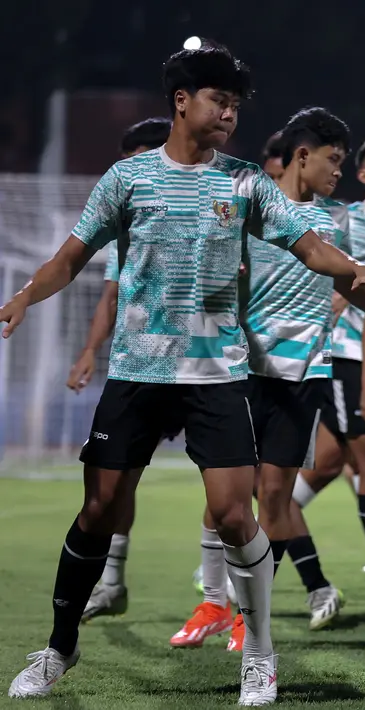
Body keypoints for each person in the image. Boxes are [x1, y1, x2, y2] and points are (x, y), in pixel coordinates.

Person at [2, 45, 365, 705]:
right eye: (218, 100)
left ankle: (259, 652)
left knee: (232, 515)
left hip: (216, 374)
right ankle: (59, 647)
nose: (228, 113)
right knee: (100, 508)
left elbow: (309, 246)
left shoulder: (245, 182)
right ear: (181, 101)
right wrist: (25, 295)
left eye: (235, 104)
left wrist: (356, 273)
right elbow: (71, 256)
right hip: (137, 371)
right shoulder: (128, 178)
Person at [288, 131, 365, 608]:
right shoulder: (341, 220)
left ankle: (241, 543)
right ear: (363, 175)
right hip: (344, 357)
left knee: (324, 465)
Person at [60, 116, 172, 622]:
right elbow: (110, 296)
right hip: (143, 366)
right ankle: (110, 581)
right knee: (117, 483)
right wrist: (89, 351)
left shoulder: (212, 202)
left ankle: (222, 596)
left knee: (236, 486)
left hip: (206, 365)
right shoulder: (127, 226)